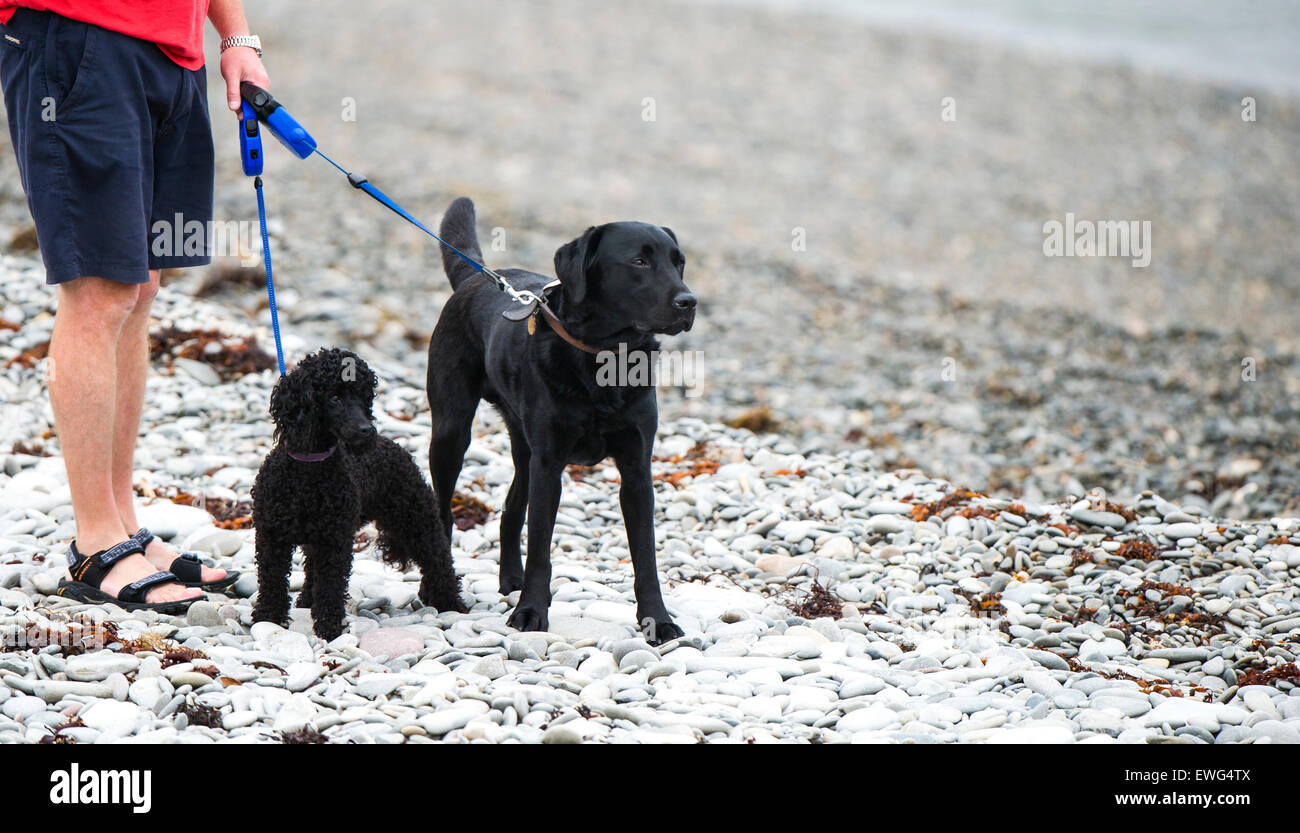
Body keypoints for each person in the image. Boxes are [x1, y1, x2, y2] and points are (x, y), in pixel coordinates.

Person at [0, 1, 271, 608]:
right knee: (100, 291)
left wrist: (236, 38)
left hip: (174, 54)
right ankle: (95, 542)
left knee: (141, 287)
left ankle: (121, 523)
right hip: (77, 37)